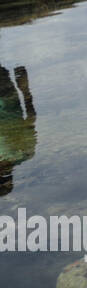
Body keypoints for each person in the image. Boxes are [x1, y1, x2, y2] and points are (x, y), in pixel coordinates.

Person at [0, 64, 36, 197]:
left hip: (7, 95)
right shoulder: (24, 153)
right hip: (6, 94)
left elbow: (31, 117)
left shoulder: (25, 153)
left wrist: (25, 90)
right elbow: (31, 118)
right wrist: (25, 89)